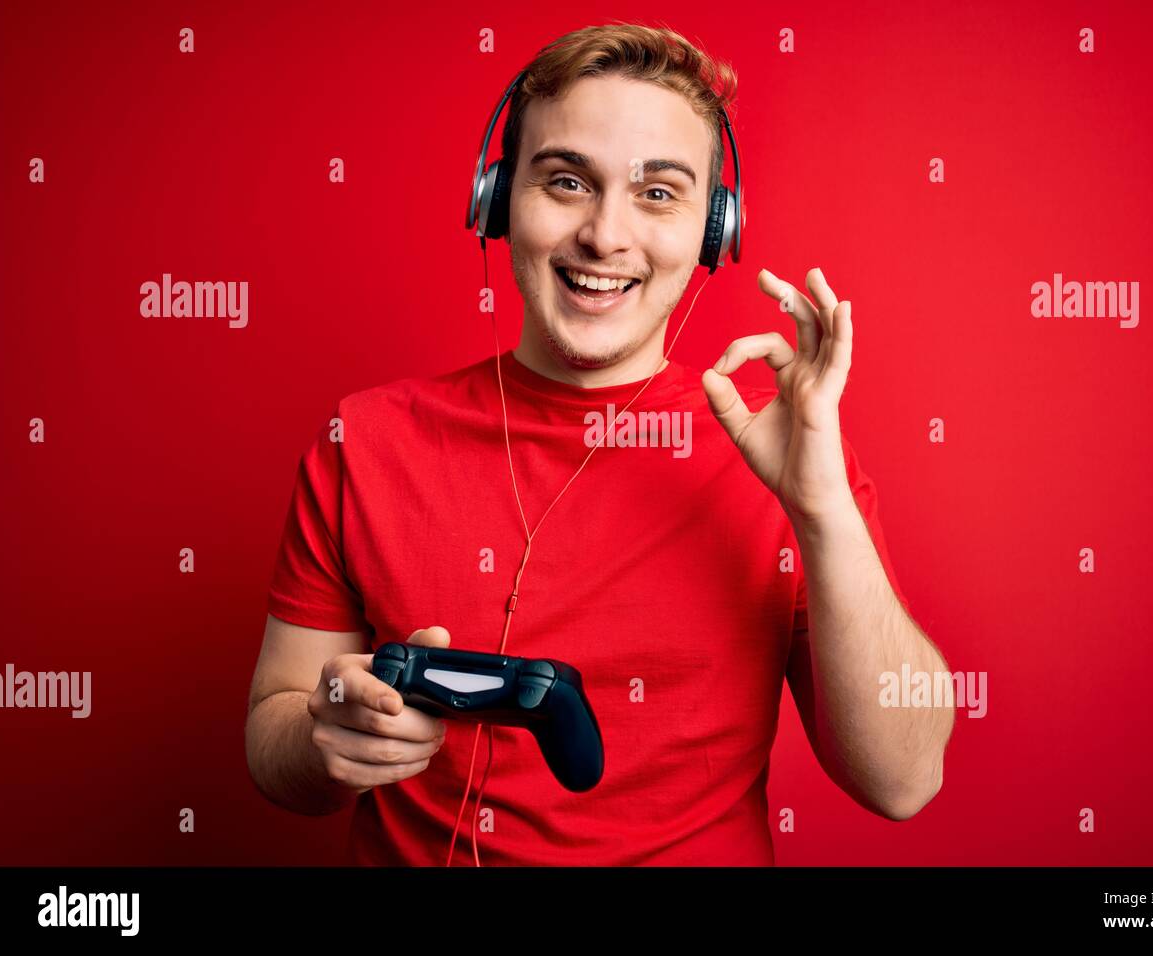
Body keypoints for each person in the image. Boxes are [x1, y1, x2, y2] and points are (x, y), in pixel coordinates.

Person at [244, 21, 953, 866]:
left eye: (658, 194)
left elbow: (903, 780)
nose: (606, 236)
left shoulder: (788, 460)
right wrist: (325, 735)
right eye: (568, 181)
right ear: (498, 199)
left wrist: (822, 510)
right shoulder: (362, 440)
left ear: (714, 230)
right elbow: (273, 733)